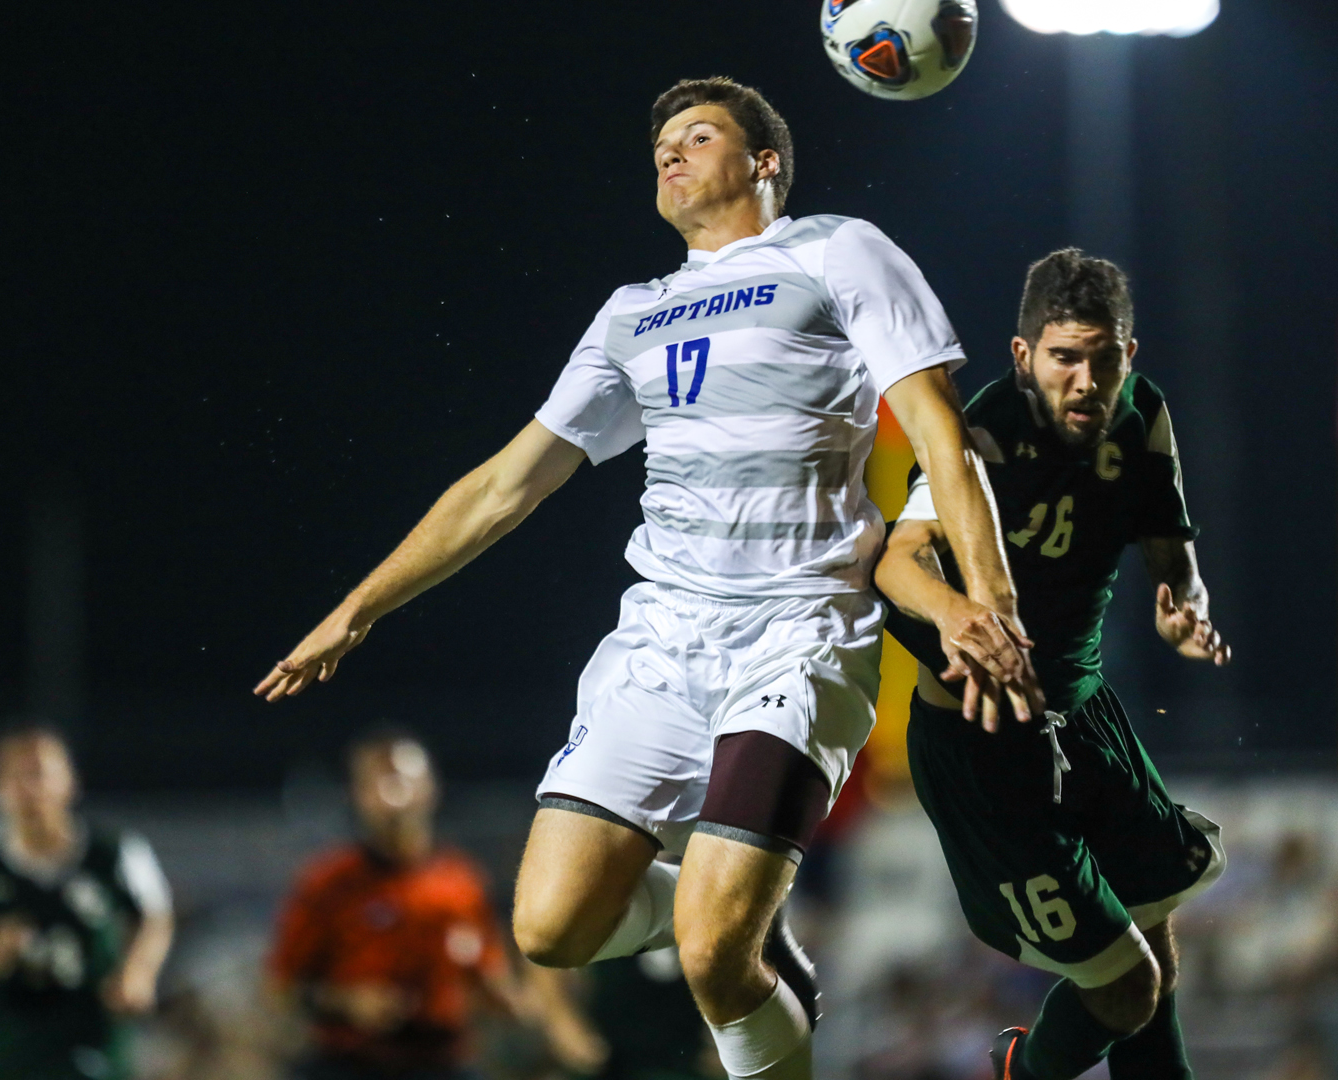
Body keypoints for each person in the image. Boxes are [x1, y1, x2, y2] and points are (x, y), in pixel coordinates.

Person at [254, 76, 1040, 1080]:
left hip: (797, 633)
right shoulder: (633, 314)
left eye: (697, 135)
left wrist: (989, 602)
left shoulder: (837, 249)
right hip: (661, 645)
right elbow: (504, 485)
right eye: (660, 144)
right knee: (550, 927)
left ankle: (742, 935)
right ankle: (740, 914)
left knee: (717, 954)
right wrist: (359, 608)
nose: (668, 155)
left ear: (765, 163)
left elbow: (940, 429)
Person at [874, 250, 1229, 1080]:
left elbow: (1173, 557)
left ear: (1129, 357)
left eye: (1104, 358)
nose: (1086, 379)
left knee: (1157, 958)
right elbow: (894, 563)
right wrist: (959, 612)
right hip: (984, 745)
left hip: (1086, 713)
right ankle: (1020, 1073)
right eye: (1065, 356)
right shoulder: (986, 431)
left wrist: (1186, 605)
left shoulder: (1144, 414)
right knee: (1126, 988)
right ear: (1023, 354)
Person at [268, 729, 604, 1080]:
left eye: (402, 778)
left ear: (431, 787)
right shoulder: (326, 882)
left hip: (440, 1060)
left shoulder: (461, 880)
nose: (392, 794)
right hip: (349, 1061)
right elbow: (282, 990)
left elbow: (489, 979)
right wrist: (346, 1002)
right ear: (357, 794)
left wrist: (545, 1006)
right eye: (378, 781)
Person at [0, 721, 175, 1080]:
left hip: (97, 1048)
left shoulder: (116, 854)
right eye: (16, 777)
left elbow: (155, 916)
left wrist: (138, 970)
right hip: (9, 1055)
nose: (29, 789)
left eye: (40, 774)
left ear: (70, 781)